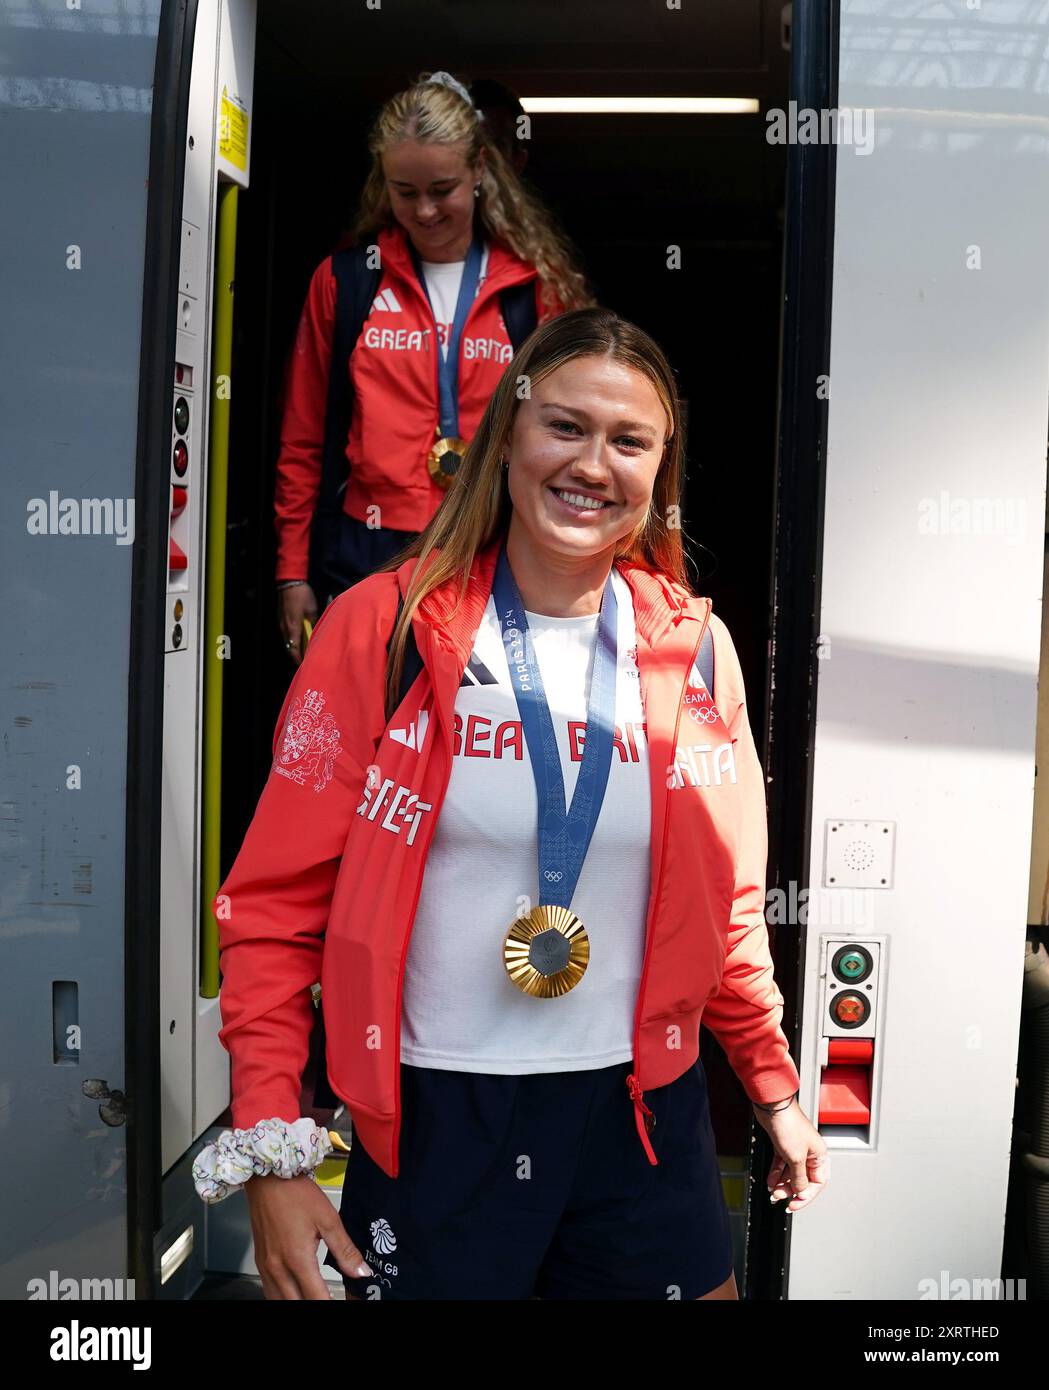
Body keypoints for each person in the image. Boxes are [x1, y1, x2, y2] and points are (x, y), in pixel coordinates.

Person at [194, 306, 827, 1301]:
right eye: (563, 426)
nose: (592, 463)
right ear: (507, 437)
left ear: (660, 471)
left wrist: (770, 1085)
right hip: (441, 1117)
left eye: (629, 441)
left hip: (643, 1115)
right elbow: (273, 911)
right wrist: (273, 1150)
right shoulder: (383, 628)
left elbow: (729, 905)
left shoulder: (695, 651)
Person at [275, 69, 591, 666]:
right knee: (371, 731)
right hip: (368, 549)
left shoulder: (533, 291)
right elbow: (302, 440)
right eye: (405, 191)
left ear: (479, 172)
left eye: (442, 188)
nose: (424, 211)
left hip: (493, 541)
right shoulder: (345, 284)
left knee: (475, 738)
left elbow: (574, 438)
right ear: (383, 184)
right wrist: (293, 573)